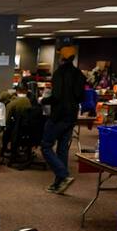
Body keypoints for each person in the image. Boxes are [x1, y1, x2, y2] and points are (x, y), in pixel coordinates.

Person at [43, 43, 85, 193]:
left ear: (62, 57)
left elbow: (56, 96)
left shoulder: (59, 73)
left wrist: (43, 100)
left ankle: (63, 175)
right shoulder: (79, 74)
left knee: (46, 146)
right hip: (71, 116)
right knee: (62, 149)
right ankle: (58, 183)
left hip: (58, 115)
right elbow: (81, 96)